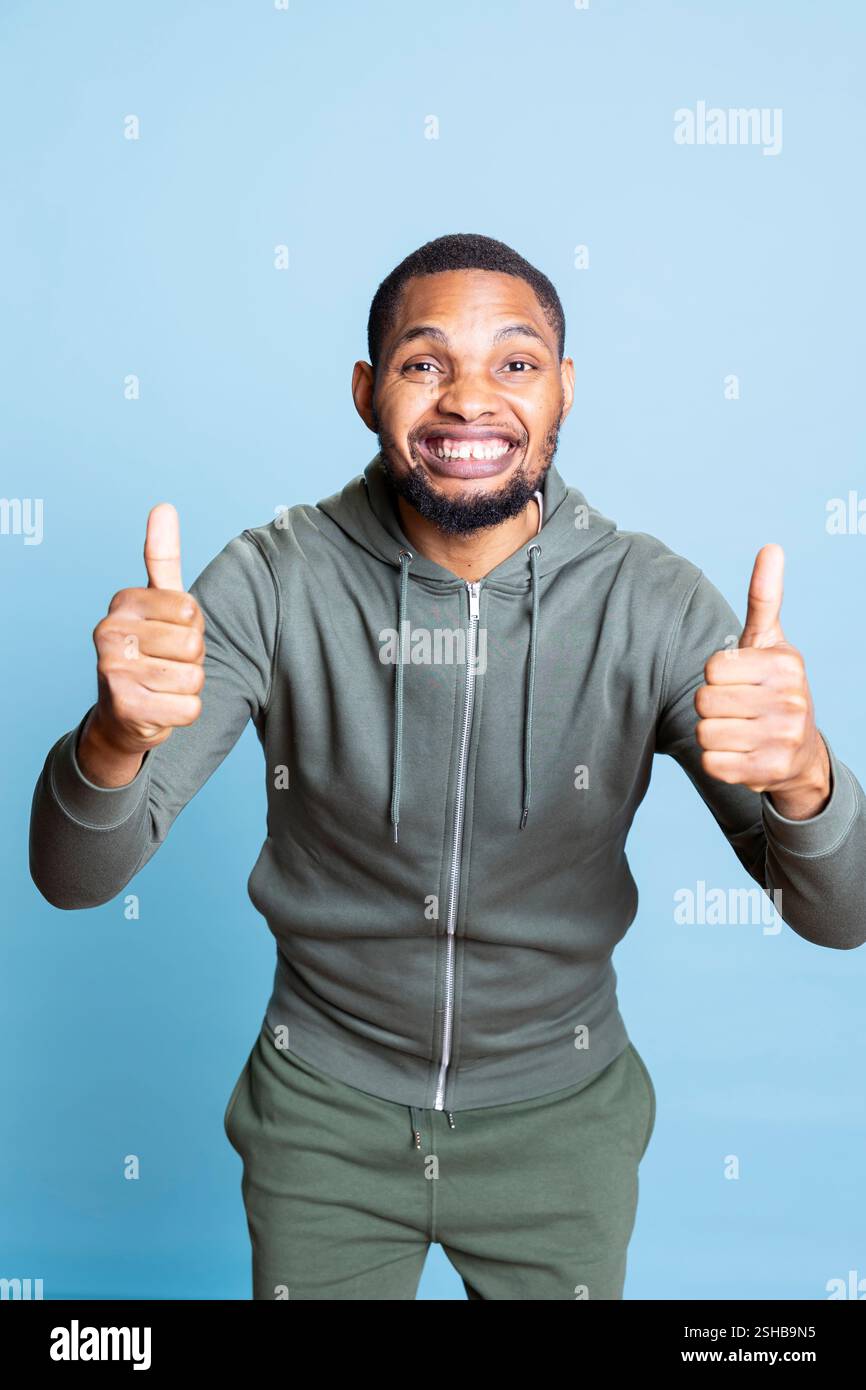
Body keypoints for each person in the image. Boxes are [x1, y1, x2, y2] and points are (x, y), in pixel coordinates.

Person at [29, 233, 866, 1301]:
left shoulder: (651, 601)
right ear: (366, 390)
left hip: (562, 1124)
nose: (470, 399)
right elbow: (71, 877)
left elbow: (838, 914)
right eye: (425, 363)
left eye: (514, 363)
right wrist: (111, 738)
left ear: (563, 390)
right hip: (321, 1120)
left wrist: (804, 779)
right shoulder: (270, 579)